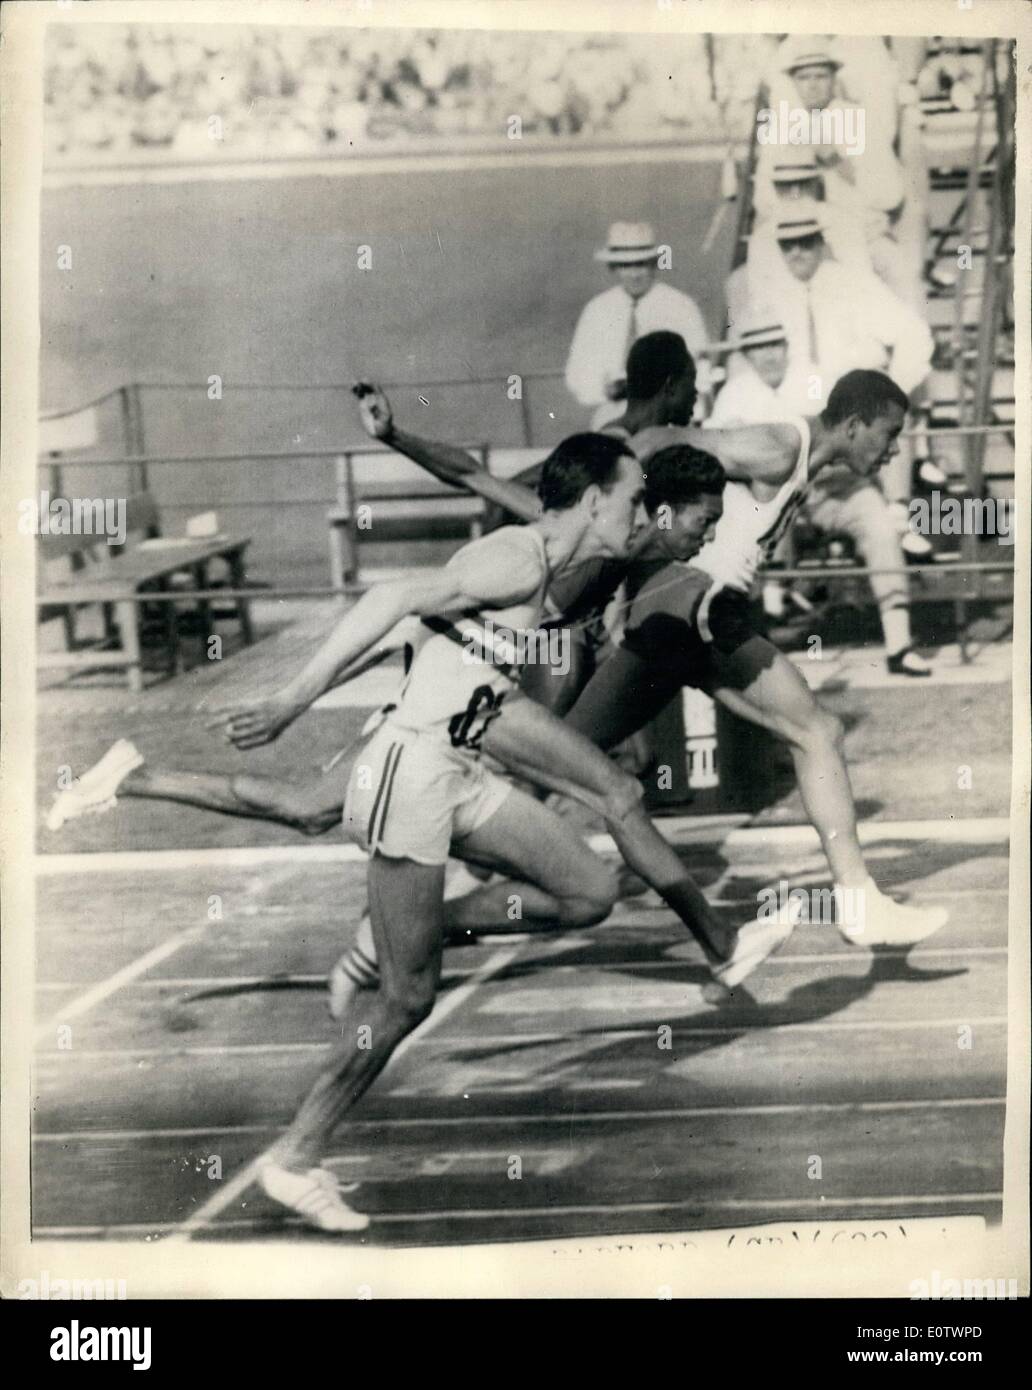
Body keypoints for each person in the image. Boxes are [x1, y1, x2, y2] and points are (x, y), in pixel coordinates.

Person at [707, 318, 933, 676]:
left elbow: (844, 436)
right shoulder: (734, 393)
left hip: (831, 488)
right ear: (747, 354)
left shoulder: (813, 378)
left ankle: (899, 643)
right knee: (755, 522)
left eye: (775, 345)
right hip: (774, 494)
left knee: (880, 527)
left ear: (787, 346)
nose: (769, 355)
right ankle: (764, 619)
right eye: (759, 347)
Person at [565, 221, 710, 429]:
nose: (635, 274)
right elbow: (577, 374)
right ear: (613, 267)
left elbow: (700, 368)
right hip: (614, 413)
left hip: (667, 415)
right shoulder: (597, 311)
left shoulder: (680, 306)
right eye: (626, 265)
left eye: (641, 264)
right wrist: (604, 390)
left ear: (654, 264)